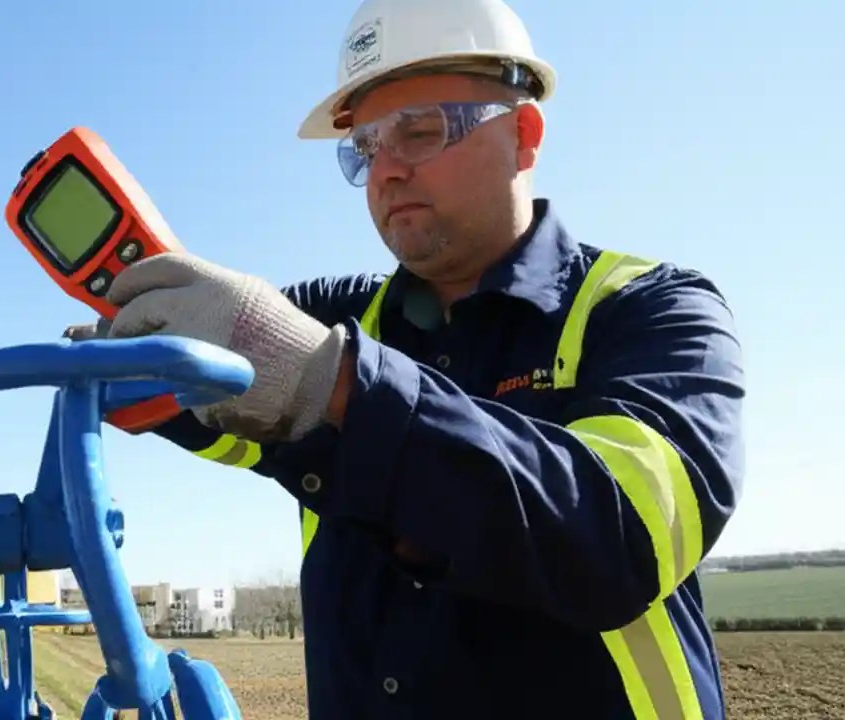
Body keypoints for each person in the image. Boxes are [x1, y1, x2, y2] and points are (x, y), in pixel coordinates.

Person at [73, 0, 745, 717]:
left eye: (419, 131)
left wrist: (335, 386)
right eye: (363, 149)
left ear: (523, 134)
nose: (384, 172)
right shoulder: (340, 320)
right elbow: (225, 415)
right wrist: (142, 362)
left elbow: (621, 538)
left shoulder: (649, 309)